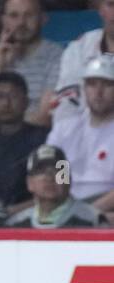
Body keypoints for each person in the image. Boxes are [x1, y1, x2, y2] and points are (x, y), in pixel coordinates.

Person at [0, 0, 62, 128]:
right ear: (4, 21)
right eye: (14, 16)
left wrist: (6, 123)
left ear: (43, 19)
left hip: (38, 139)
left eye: (29, 15)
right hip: (0, 140)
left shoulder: (56, 55)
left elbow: (45, 117)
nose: (21, 23)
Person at [46, 54, 114, 213]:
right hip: (66, 203)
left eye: (107, 84)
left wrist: (86, 212)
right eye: (92, 84)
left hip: (106, 208)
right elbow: (55, 172)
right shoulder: (64, 130)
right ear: (84, 88)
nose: (98, 92)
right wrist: (66, 208)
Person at [0, 71, 47, 205]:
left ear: (26, 102)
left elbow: (62, 181)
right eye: (0, 97)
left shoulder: (46, 138)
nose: (6, 103)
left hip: (32, 215)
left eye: (13, 96)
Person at [5, 143, 104, 227]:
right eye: (41, 172)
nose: (50, 178)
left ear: (68, 180)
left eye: (58, 171)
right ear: (30, 183)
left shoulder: (93, 220)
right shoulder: (16, 223)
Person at [52, 0, 114, 122]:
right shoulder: (80, 47)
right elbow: (66, 104)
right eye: (111, 5)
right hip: (83, 133)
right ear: (100, 9)